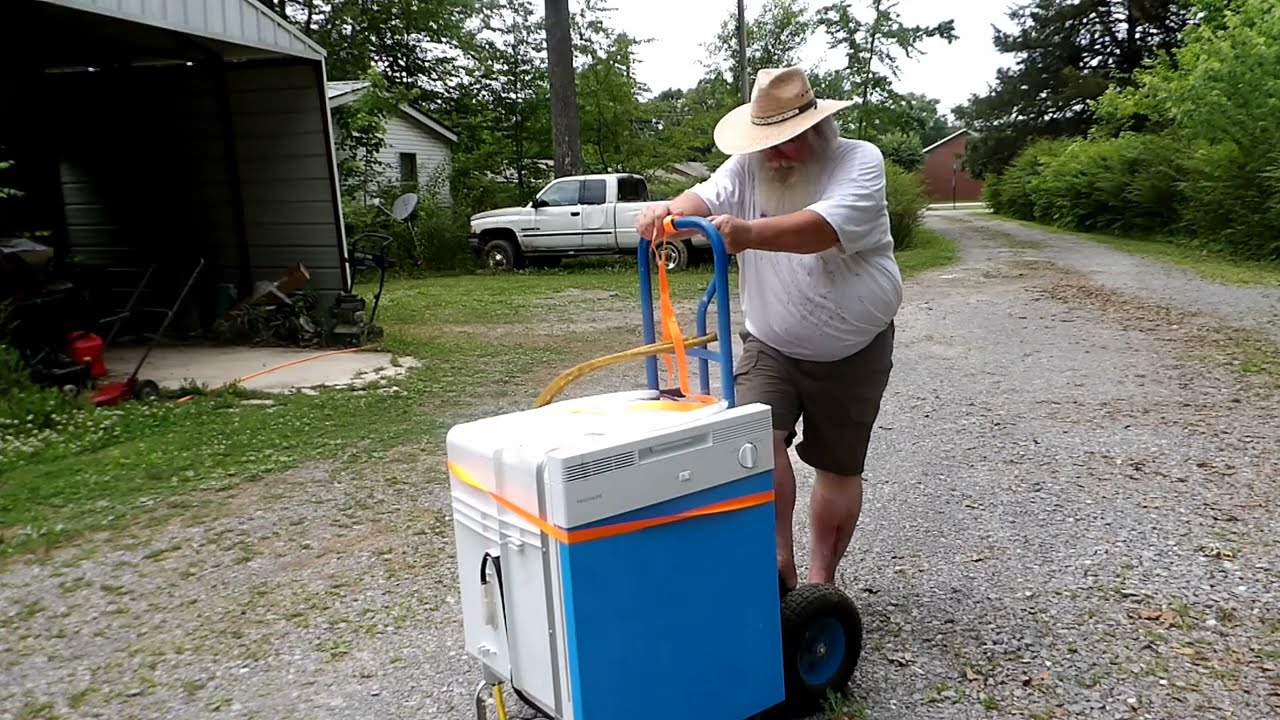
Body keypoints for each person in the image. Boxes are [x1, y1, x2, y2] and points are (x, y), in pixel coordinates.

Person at [635, 67, 902, 591]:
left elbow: (822, 229)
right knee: (756, 442)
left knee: (838, 466)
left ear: (817, 131)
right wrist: (670, 209)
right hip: (771, 342)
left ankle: (822, 584)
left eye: (786, 142)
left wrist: (748, 233)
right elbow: (708, 195)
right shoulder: (750, 165)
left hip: (853, 347)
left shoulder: (858, 161)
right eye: (767, 142)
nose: (775, 153)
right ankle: (779, 564)